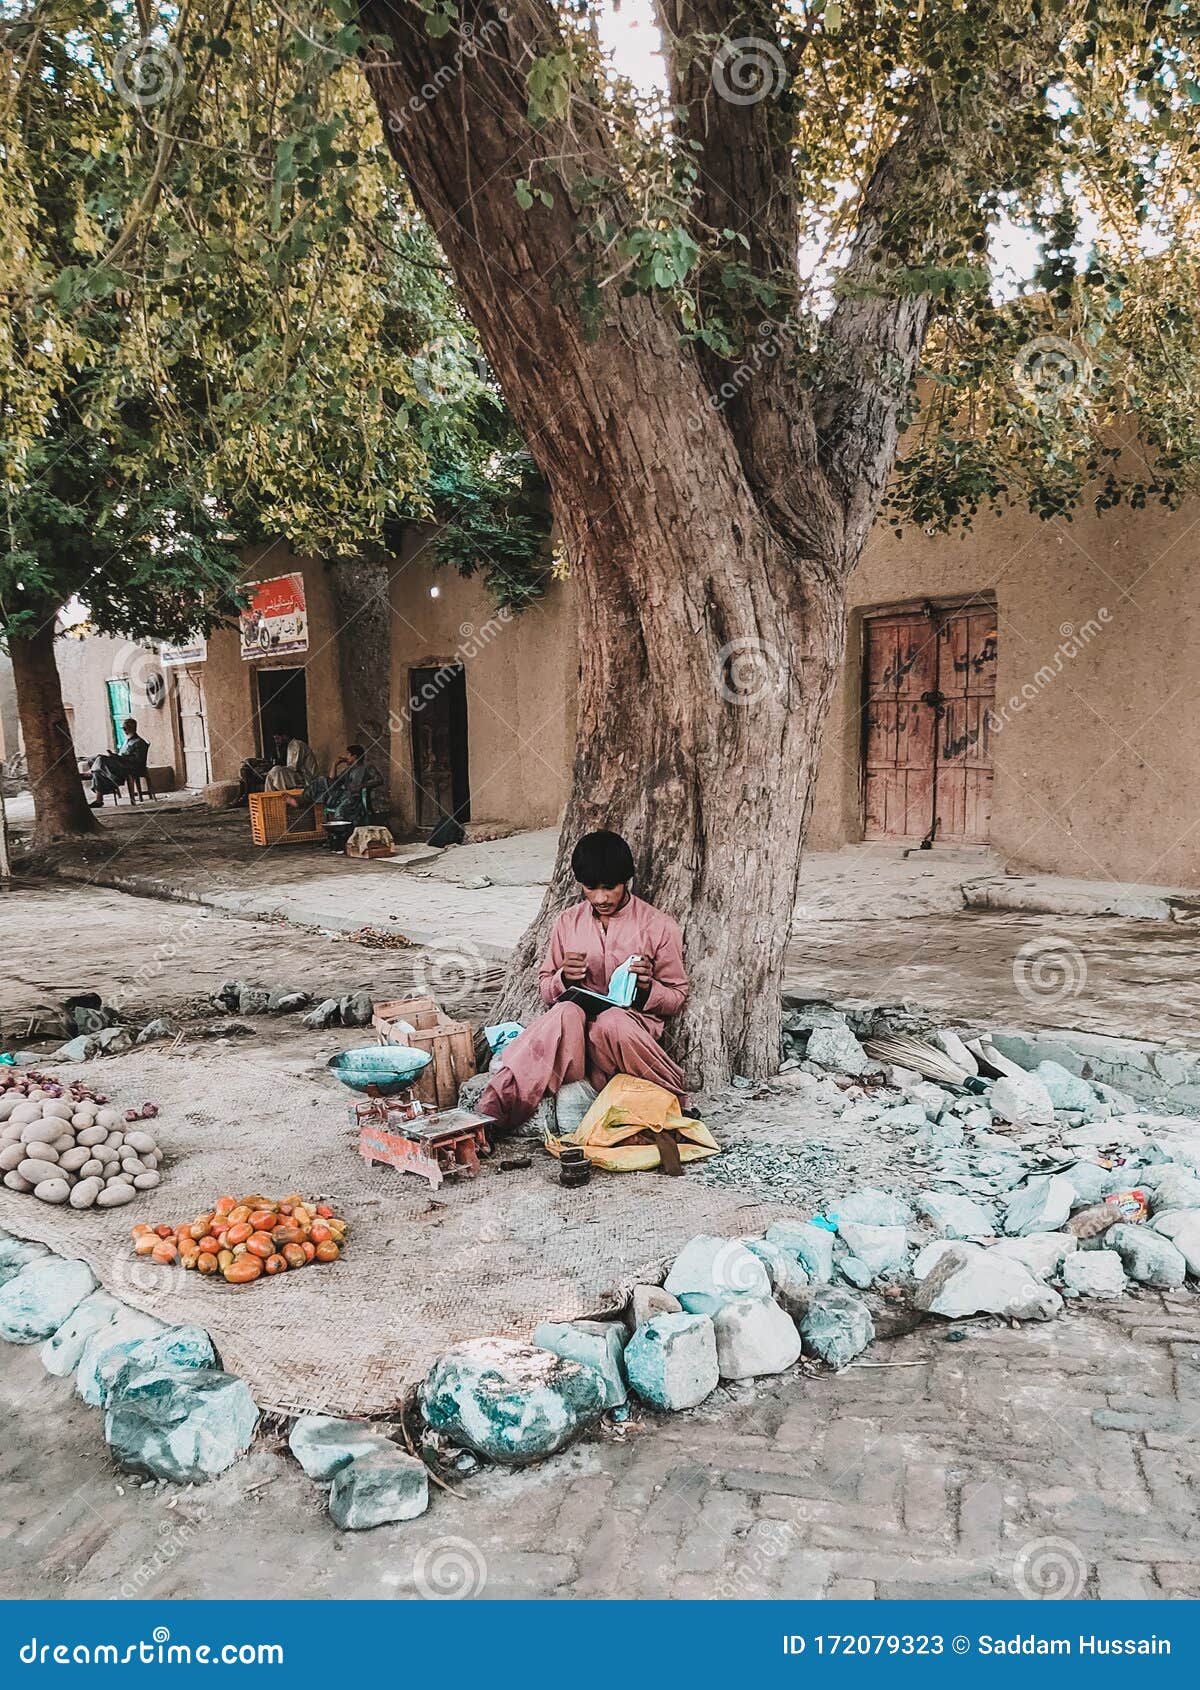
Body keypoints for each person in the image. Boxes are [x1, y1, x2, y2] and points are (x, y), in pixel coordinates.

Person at [477, 830, 688, 1130]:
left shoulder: (658, 926)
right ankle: (494, 1113)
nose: (600, 898)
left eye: (609, 888)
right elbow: (547, 986)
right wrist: (563, 978)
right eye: (590, 888)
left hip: (622, 1039)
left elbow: (677, 995)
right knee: (565, 1011)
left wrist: (646, 989)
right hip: (574, 1045)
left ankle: (673, 1096)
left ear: (626, 881)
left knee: (612, 1020)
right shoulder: (567, 922)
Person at [305, 743, 384, 823]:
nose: (346, 757)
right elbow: (333, 781)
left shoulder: (367, 767)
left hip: (354, 798)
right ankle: (306, 798)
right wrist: (334, 765)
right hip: (342, 796)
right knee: (322, 780)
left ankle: (305, 798)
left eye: (348, 755)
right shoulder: (348, 770)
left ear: (354, 757)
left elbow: (379, 780)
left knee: (340, 811)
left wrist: (362, 786)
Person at [88, 719, 150, 807]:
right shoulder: (127, 741)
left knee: (101, 759)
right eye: (123, 728)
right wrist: (114, 756)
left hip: (131, 767)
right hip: (121, 764)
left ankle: (107, 776)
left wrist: (117, 757)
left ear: (132, 728)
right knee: (97, 769)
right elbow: (122, 755)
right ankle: (99, 800)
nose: (124, 730)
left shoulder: (139, 742)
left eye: (125, 728)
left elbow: (138, 760)